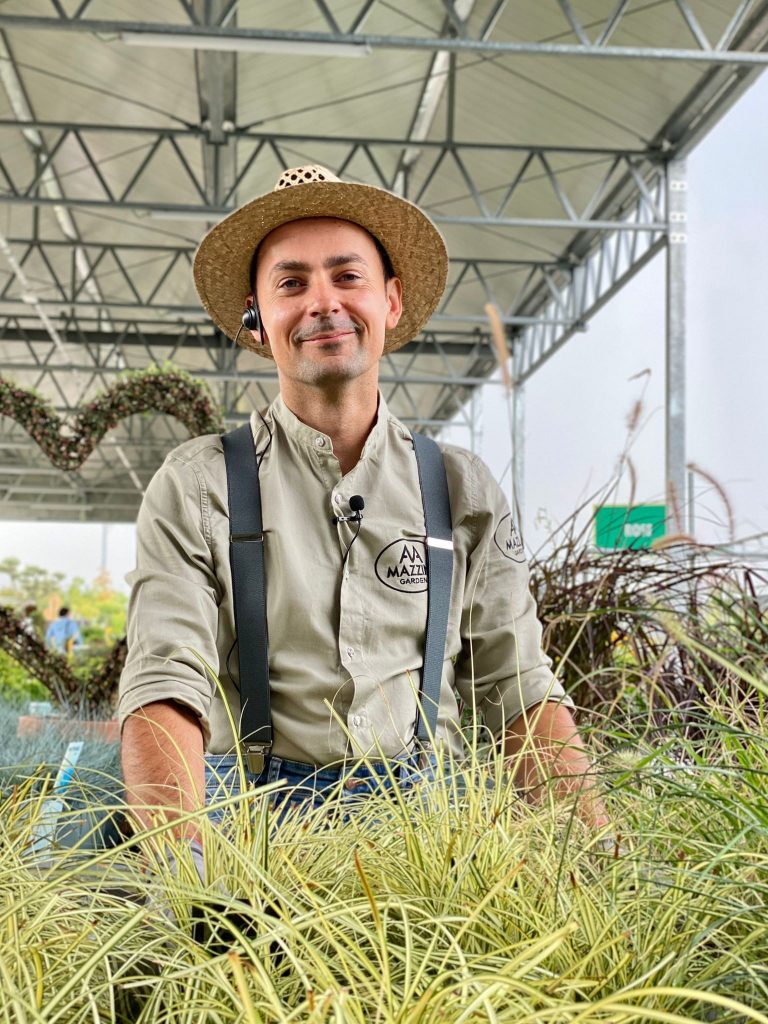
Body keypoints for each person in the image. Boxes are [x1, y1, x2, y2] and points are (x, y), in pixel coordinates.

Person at [118, 165, 609, 841]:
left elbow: (516, 688)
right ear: (258, 321)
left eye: (347, 277)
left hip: (428, 842)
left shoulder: (461, 489)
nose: (323, 302)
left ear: (391, 302)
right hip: (254, 837)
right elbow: (165, 684)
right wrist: (186, 877)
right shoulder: (197, 483)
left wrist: (592, 854)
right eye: (292, 283)